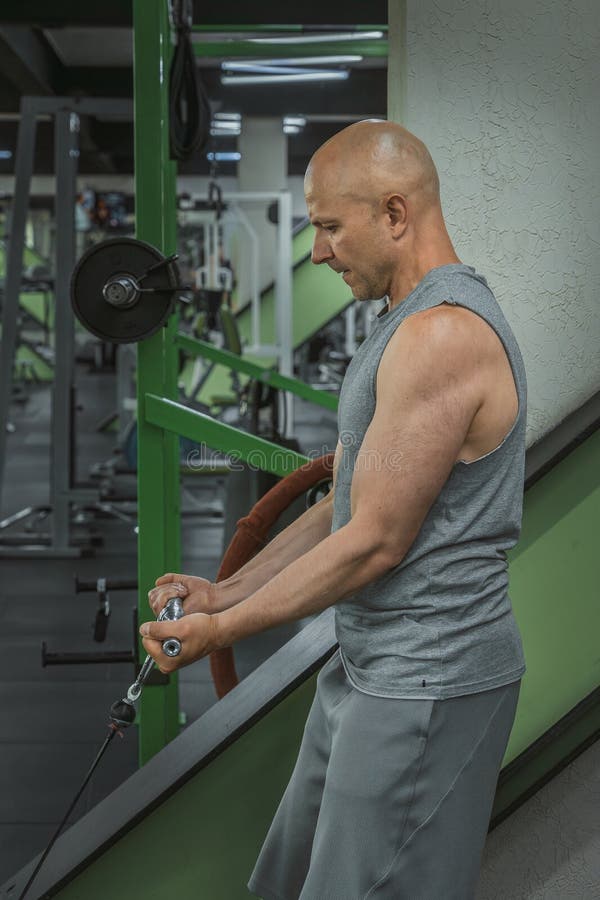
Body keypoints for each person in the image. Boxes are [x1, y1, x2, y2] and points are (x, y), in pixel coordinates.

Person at [141, 120, 528, 899]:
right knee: (284, 884)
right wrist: (230, 590)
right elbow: (344, 505)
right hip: (368, 664)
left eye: (326, 227)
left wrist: (219, 632)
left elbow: (374, 543)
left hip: (429, 677)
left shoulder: (442, 335)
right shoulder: (397, 323)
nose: (316, 251)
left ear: (394, 214)